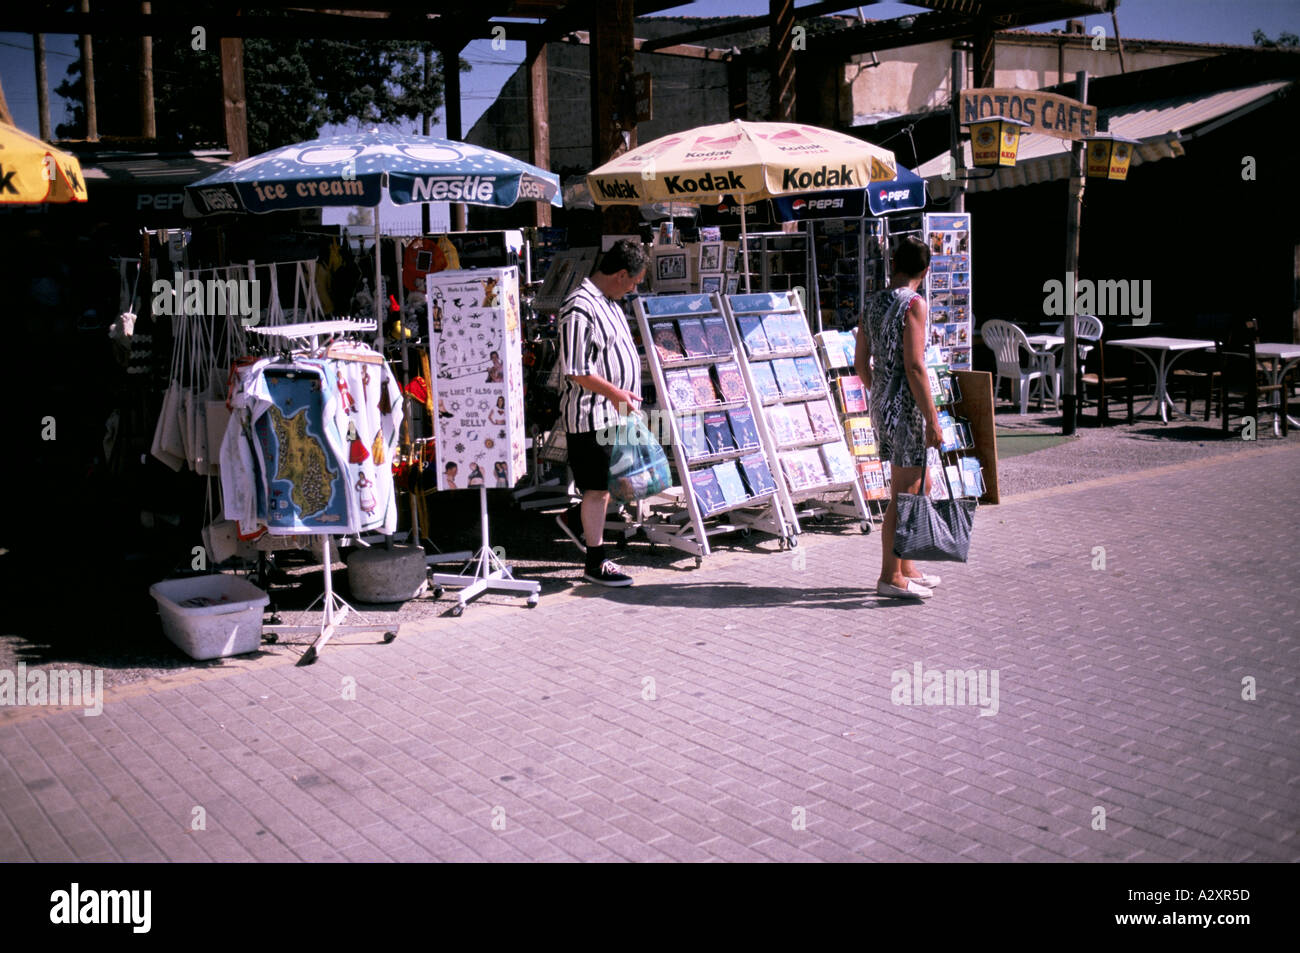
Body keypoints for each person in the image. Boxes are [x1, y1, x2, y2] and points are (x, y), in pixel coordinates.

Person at [855, 235, 945, 600]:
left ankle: (905, 565)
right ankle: (889, 575)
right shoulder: (915, 304)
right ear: (925, 270)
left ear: (893, 264)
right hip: (906, 408)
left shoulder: (873, 303)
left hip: (883, 404)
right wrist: (933, 418)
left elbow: (861, 363)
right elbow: (915, 366)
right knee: (905, 491)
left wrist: (880, 392)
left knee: (918, 484)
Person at [554, 239, 648, 587]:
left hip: (612, 412)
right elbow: (576, 369)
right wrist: (615, 393)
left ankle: (574, 521)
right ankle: (595, 562)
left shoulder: (607, 302)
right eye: (634, 281)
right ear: (620, 274)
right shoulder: (579, 306)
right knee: (598, 490)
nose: (634, 288)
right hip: (591, 415)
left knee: (614, 483)